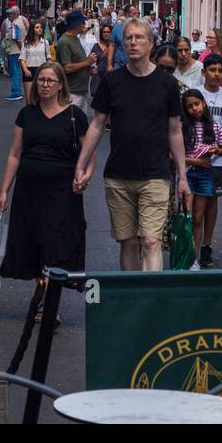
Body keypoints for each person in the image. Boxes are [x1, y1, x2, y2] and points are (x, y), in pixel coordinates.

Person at [74, 17, 190, 271]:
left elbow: (175, 131)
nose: (132, 42)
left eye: (139, 37)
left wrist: (182, 176)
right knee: (128, 243)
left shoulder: (167, 84)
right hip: (119, 175)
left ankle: (150, 303)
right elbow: (96, 124)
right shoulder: (112, 81)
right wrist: (80, 165)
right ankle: (134, 302)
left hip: (155, 175)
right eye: (128, 38)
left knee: (151, 240)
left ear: (151, 44)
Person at [0, 62, 89, 292]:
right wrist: (4, 190)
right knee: (33, 242)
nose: (44, 85)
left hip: (62, 192)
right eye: (41, 80)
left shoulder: (74, 115)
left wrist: (85, 175)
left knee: (56, 244)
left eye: (50, 81)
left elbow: (89, 154)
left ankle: (48, 302)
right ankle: (43, 294)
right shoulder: (26, 114)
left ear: (60, 85)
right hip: (28, 191)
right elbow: (14, 154)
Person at [181, 89, 222, 270]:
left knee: (199, 218)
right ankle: (184, 253)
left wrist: (215, 150)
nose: (194, 109)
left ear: (203, 103)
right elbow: (173, 154)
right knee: (188, 216)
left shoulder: (214, 125)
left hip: (206, 173)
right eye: (189, 106)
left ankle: (194, 256)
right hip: (188, 172)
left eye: (197, 104)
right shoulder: (183, 126)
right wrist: (195, 160)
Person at [197, 53, 222, 267]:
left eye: (220, 71)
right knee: (196, 207)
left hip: (218, 158)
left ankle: (207, 246)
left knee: (212, 203)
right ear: (204, 72)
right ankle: (193, 244)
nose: (217, 75)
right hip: (196, 158)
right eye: (212, 70)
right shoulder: (196, 93)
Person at [56, 9, 97, 110]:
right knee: (71, 122)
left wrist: (89, 69)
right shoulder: (65, 41)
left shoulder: (75, 38)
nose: (85, 24)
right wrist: (87, 63)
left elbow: (78, 62)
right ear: (77, 24)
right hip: (72, 91)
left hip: (80, 90)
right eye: (83, 22)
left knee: (80, 122)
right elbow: (67, 68)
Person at [20, 20, 50, 103]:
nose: (40, 29)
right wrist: (25, 70)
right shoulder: (26, 43)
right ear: (32, 30)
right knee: (29, 99)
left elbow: (48, 58)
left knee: (40, 99)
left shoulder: (45, 43)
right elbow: (22, 59)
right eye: (37, 27)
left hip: (42, 71)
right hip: (29, 71)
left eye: (40, 27)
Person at [2, 6, 26, 101]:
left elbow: (16, 38)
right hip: (17, 51)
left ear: (15, 14)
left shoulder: (15, 24)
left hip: (14, 51)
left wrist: (21, 50)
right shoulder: (20, 21)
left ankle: (16, 92)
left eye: (10, 14)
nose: (9, 16)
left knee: (15, 72)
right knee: (17, 72)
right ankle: (16, 91)